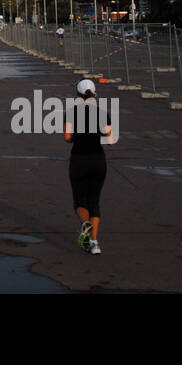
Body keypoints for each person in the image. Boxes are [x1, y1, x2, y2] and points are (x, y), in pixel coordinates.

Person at [65, 78, 115, 255]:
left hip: (79, 159)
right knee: (95, 201)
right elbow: (111, 141)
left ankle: (85, 224)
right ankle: (94, 242)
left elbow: (67, 137)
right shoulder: (102, 113)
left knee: (79, 200)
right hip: (98, 160)